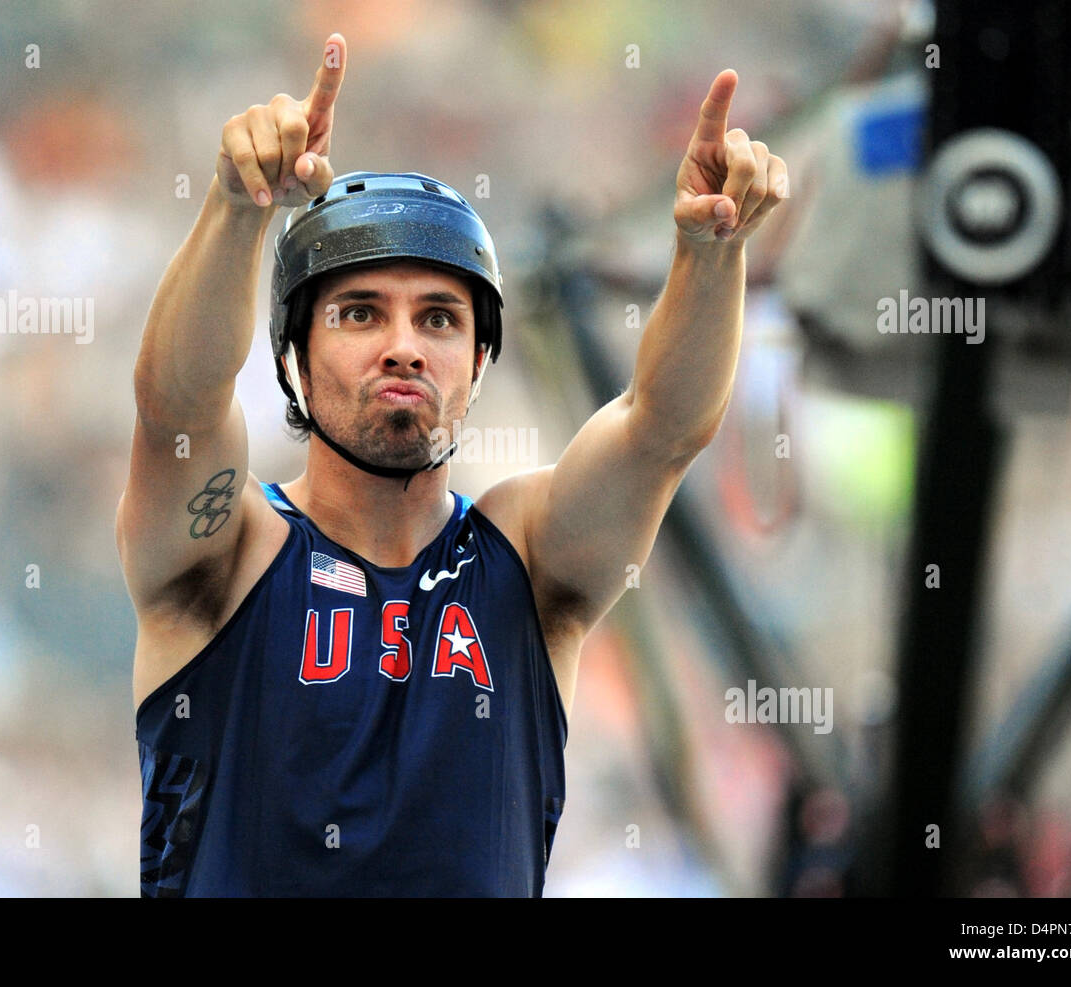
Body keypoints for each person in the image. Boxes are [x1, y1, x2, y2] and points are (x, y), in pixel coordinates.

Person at [117, 32, 788, 897]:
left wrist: (710, 253)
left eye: (439, 319)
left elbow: (661, 429)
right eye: (360, 313)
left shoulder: (530, 556)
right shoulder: (229, 553)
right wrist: (236, 203)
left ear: (477, 362)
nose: (404, 348)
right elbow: (176, 406)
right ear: (292, 357)